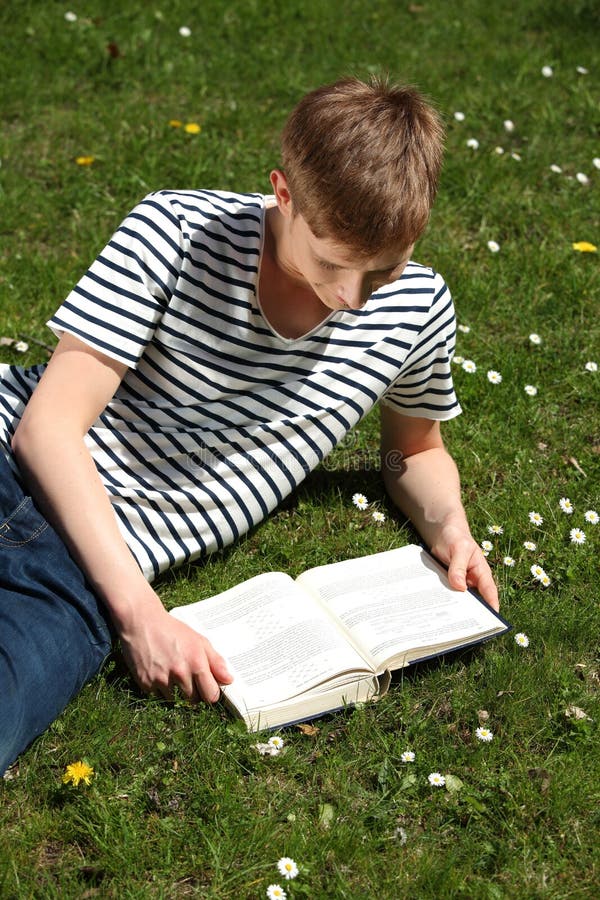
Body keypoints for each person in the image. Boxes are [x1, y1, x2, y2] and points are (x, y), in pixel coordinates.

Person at [0, 76, 498, 773]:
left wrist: (452, 530)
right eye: (331, 264)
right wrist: (143, 618)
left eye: (382, 272)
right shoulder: (173, 232)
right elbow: (46, 431)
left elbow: (413, 450)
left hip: (83, 565)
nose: (354, 301)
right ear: (283, 194)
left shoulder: (416, 308)